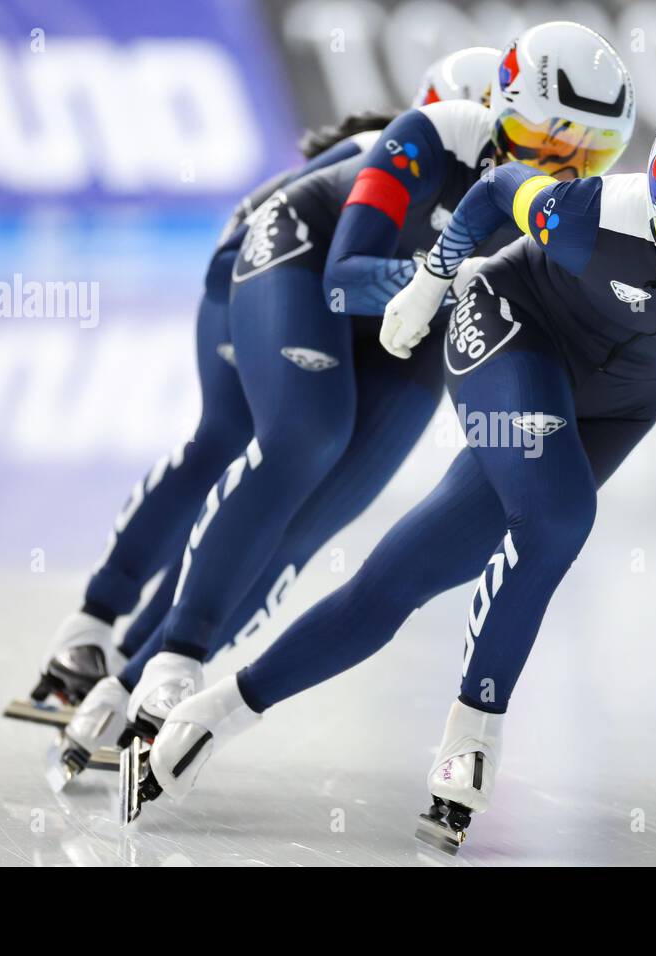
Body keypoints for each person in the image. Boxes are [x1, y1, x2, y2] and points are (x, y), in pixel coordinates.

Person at [125, 98, 656, 848]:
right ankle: (474, 732)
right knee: (560, 518)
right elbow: (490, 190)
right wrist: (427, 285)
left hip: (624, 404)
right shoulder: (591, 216)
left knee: (399, 580)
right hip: (511, 325)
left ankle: (219, 711)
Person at [57, 23, 638, 775]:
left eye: (589, 155)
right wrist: (448, 280)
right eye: (547, 140)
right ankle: (175, 652)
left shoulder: (566, 212)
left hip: (407, 329)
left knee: (309, 527)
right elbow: (345, 276)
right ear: (500, 108)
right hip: (305, 263)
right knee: (307, 436)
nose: (561, 168)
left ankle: (131, 679)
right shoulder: (432, 133)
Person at [32, 50, 499, 712]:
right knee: (231, 439)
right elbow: (270, 222)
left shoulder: (512, 194)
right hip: (271, 288)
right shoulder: (382, 148)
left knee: (300, 516)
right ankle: (91, 621)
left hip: (379, 334)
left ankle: (140, 663)